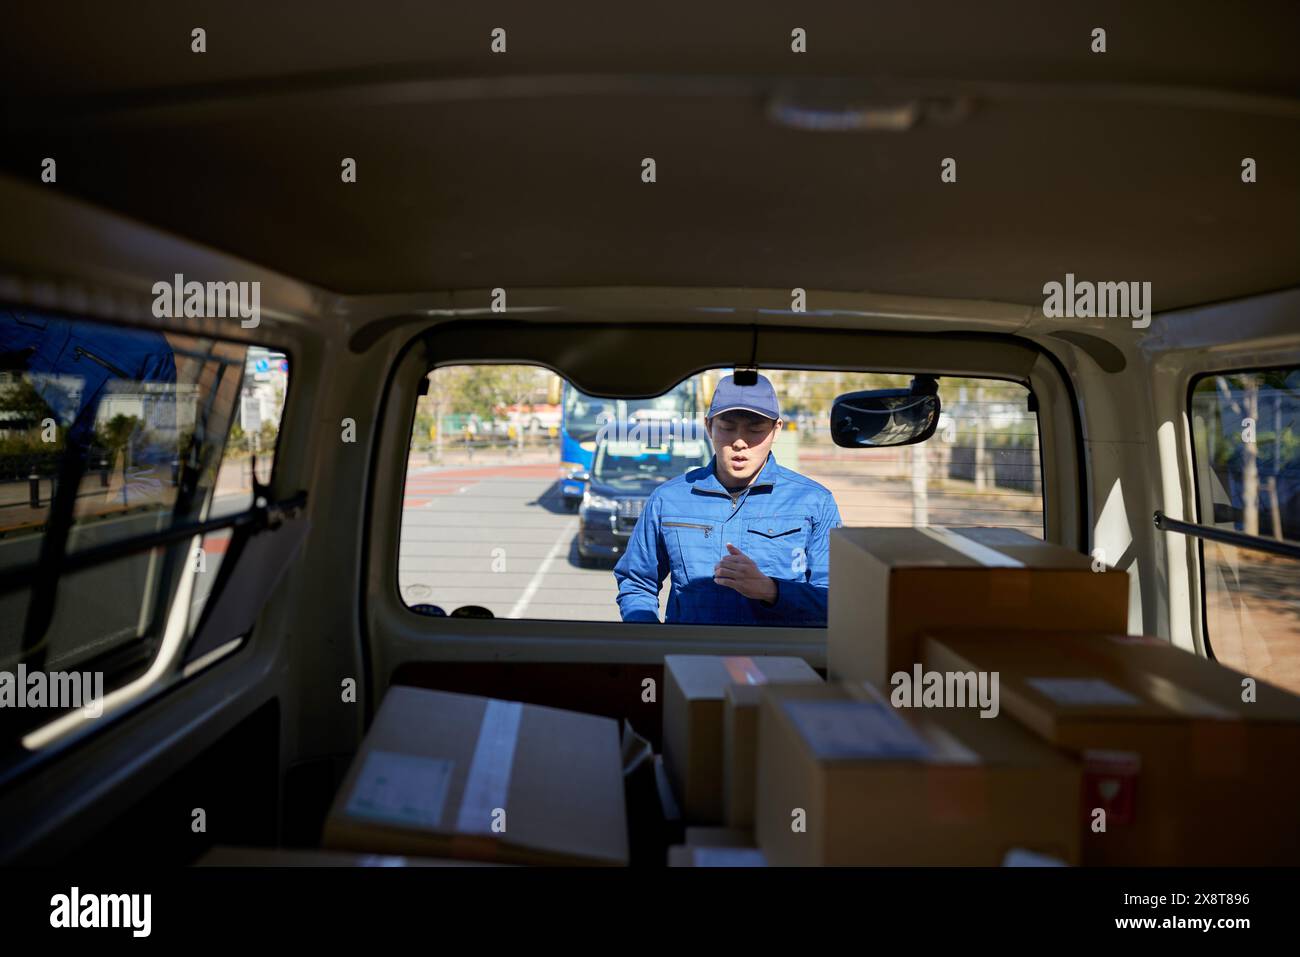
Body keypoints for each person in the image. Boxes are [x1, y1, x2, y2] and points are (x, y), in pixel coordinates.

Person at [614, 373, 841, 625]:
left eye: (755, 429)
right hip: (690, 659)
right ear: (709, 426)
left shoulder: (814, 502)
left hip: (777, 660)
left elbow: (837, 601)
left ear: (776, 429)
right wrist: (652, 645)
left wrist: (770, 590)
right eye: (727, 427)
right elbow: (637, 582)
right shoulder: (668, 500)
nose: (740, 442)